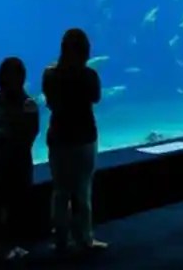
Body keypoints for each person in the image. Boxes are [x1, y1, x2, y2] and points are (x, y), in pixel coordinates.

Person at [42, 28, 107, 254]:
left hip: (59, 137)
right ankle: (85, 238)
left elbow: (49, 102)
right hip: (84, 138)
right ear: (86, 51)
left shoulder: (49, 75)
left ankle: (60, 239)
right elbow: (96, 98)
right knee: (82, 190)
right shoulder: (90, 75)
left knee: (60, 191)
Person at [0, 57, 40, 264]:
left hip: (0, 162)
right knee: (15, 204)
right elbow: (32, 132)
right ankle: (8, 246)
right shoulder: (29, 103)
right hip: (17, 162)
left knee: (1, 205)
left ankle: (0, 246)